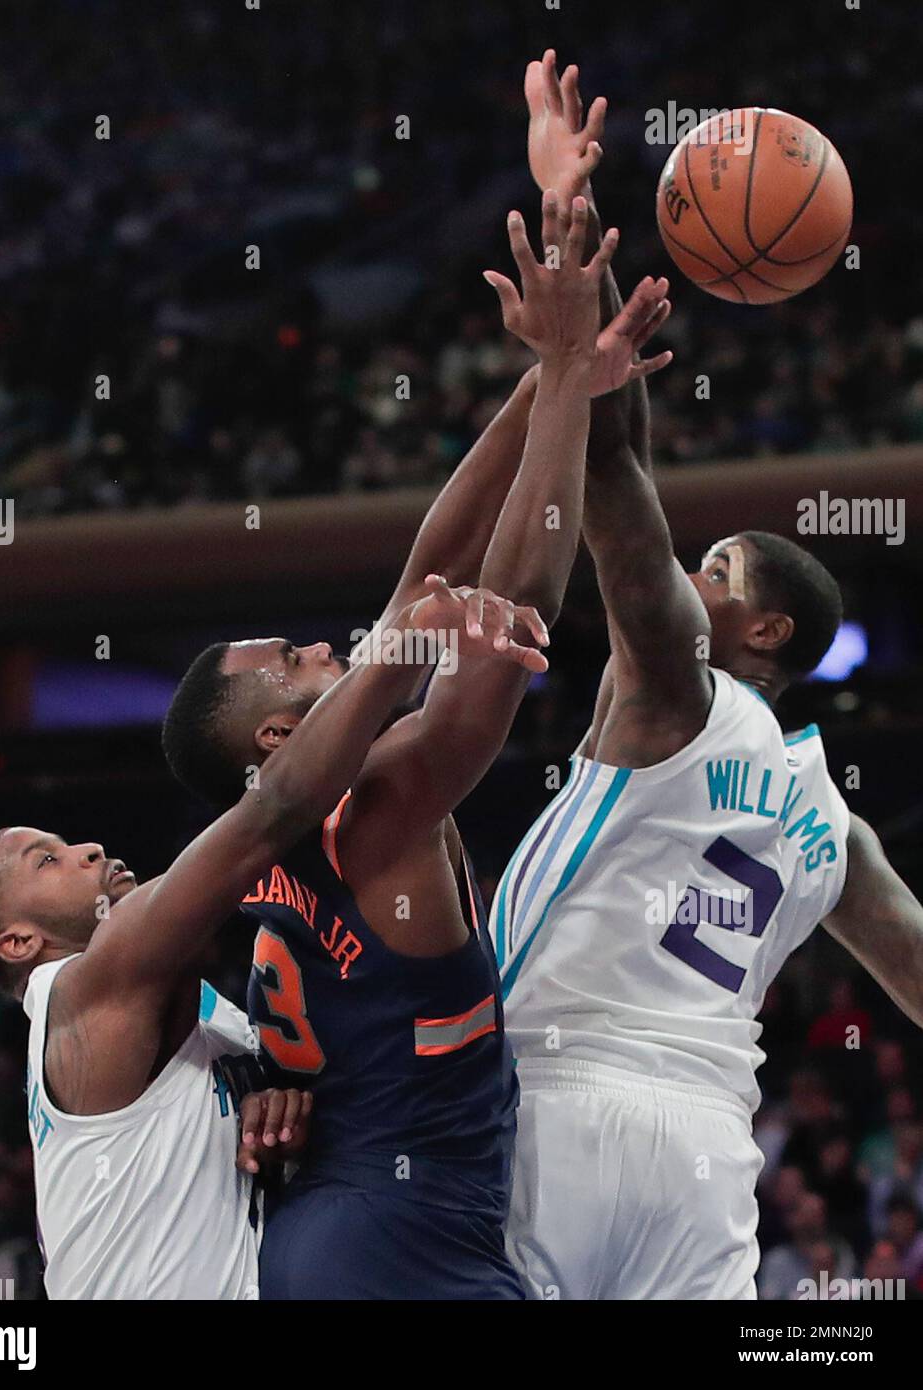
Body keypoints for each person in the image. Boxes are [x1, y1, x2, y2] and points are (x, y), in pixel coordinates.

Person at [162, 196, 653, 1298]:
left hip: (338, 1227)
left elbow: (432, 565)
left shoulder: (285, 834)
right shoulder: (376, 805)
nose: (326, 641)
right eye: (293, 655)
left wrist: (548, 379)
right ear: (283, 734)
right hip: (404, 1236)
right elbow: (508, 617)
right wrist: (568, 374)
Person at [494, 49, 923, 1300]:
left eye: (722, 567)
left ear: (768, 631)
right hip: (703, 1151)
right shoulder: (830, 823)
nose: (698, 568)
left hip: (556, 1104)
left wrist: (579, 226)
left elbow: (617, 475)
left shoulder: (680, 686)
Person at [0, 578, 536, 1298]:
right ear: (17, 943)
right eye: (50, 859)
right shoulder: (88, 985)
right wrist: (403, 647)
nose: (89, 850)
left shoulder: (173, 1016)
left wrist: (269, 1106)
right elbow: (274, 808)